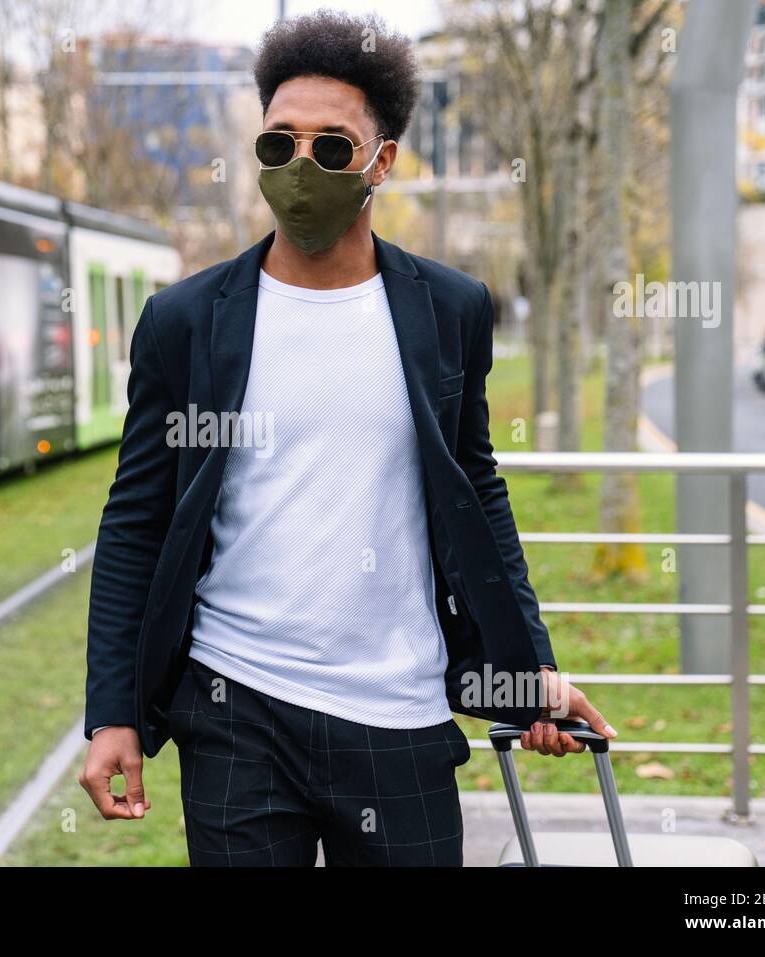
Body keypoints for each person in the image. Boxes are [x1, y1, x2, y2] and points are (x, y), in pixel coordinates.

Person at [79, 10, 617, 866]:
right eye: (277, 144)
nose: (301, 168)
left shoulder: (449, 310)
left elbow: (476, 495)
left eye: (332, 148)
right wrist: (113, 712)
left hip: (397, 713)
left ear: (383, 162)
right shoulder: (183, 322)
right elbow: (137, 519)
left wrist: (530, 672)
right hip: (233, 707)